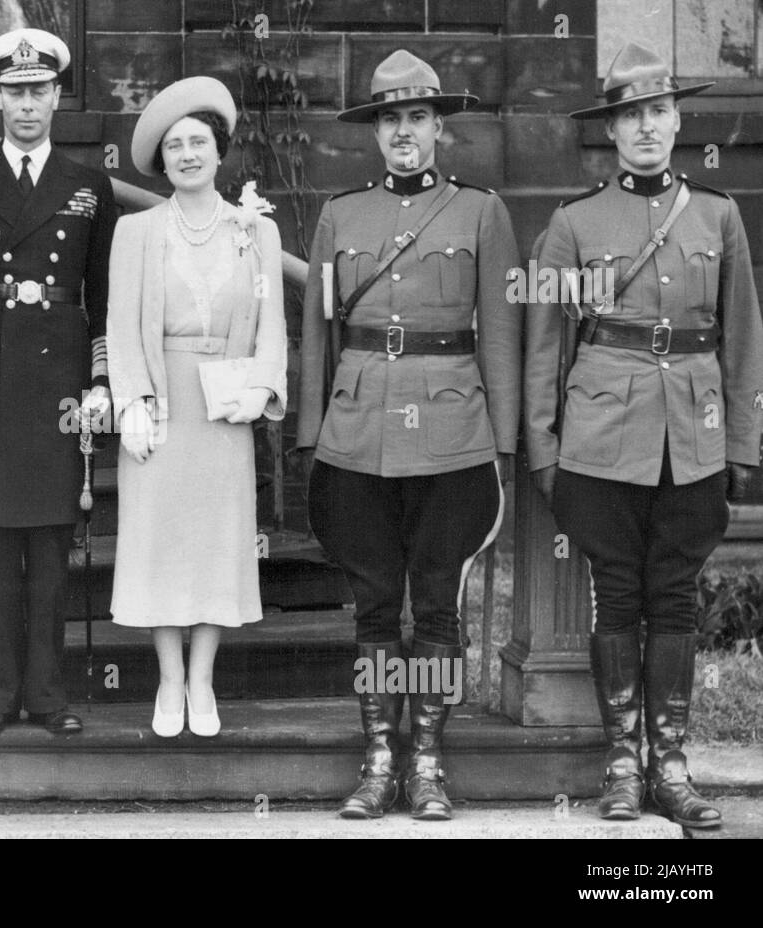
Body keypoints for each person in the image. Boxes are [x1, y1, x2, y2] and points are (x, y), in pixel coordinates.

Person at [523, 43, 763, 829]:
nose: (647, 127)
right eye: (631, 115)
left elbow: (742, 342)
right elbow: (545, 351)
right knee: (617, 598)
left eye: (658, 111)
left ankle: (674, 765)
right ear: (612, 131)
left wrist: (741, 450)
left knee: (676, 601)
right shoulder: (574, 223)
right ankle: (623, 768)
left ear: (678, 119)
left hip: (692, 437)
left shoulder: (720, 216)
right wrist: (546, 452)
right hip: (599, 440)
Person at [297, 50, 521, 820]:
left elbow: (499, 335)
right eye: (390, 118)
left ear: (438, 128)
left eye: (417, 118)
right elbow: (317, 336)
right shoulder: (341, 214)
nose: (403, 132)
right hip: (357, 428)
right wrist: (308, 430)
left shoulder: (480, 212)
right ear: (375, 131)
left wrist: (505, 443)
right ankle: (378, 757)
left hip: (453, 429)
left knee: (435, 606)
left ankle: (425, 759)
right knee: (371, 604)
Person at [0, 28, 116, 736]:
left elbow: (100, 294)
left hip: (60, 385)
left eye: (40, 91)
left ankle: (47, 696)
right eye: (15, 92)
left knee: (49, 552)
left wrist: (101, 382)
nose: (28, 104)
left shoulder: (88, 185)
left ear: (55, 97)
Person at [106, 77, 286, 738]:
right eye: (175, 145)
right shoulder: (137, 232)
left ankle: (204, 679)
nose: (187, 154)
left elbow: (272, 322)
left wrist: (264, 386)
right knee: (160, 538)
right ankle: (169, 679)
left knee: (215, 541)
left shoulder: (253, 232)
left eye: (199, 142)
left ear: (219, 152)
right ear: (162, 160)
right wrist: (131, 405)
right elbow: (122, 326)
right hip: (163, 400)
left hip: (224, 403)